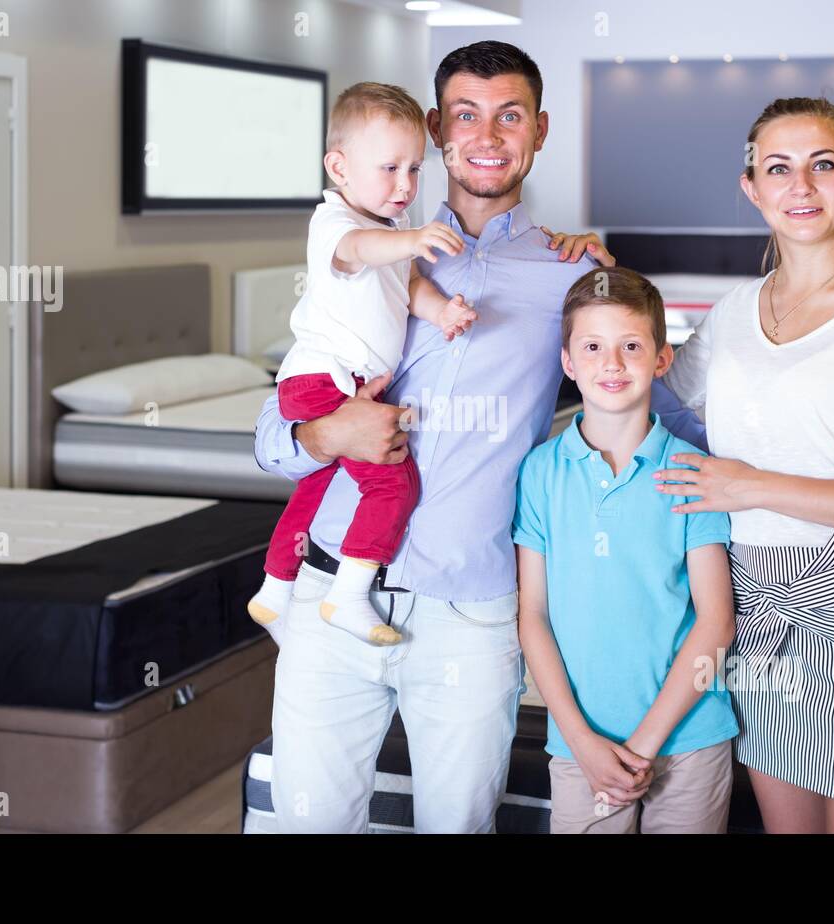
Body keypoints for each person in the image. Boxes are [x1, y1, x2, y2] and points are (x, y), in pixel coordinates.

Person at [252, 41, 703, 833]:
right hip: (329, 595)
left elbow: (672, 410)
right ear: (435, 128)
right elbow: (271, 435)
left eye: (509, 116)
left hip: (471, 614)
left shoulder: (573, 278)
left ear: (540, 131)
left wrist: (618, 282)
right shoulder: (364, 258)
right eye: (465, 115)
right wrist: (330, 433)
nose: (487, 135)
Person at [654, 97, 834, 833]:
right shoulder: (732, 312)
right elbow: (655, 403)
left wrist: (748, 485)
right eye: (778, 169)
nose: (801, 187)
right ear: (752, 187)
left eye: (822, 165)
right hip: (753, 605)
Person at [247, 82, 476, 647]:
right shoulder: (336, 225)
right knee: (393, 485)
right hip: (322, 381)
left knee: (317, 488)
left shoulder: (393, 235)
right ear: (339, 167)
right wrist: (417, 238)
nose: (406, 185)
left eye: (415, 170)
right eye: (390, 168)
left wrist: (442, 310)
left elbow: (409, 286)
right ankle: (348, 594)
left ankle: (275, 587)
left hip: (340, 386)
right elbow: (360, 251)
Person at [514, 266, 738, 834]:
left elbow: (716, 621)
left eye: (631, 346)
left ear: (662, 359)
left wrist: (645, 743)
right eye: (592, 347)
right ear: (567, 362)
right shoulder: (540, 473)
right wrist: (580, 739)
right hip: (580, 745)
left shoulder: (693, 471)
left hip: (688, 737)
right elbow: (533, 617)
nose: (611, 364)